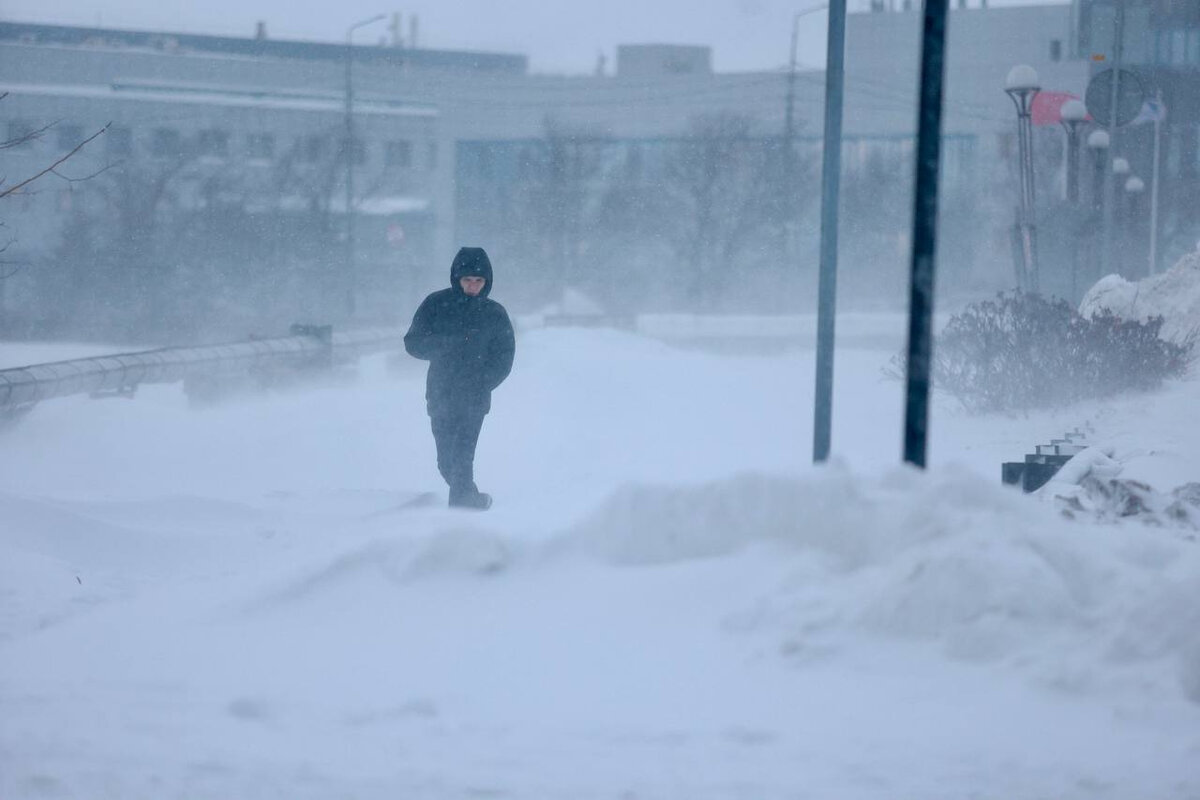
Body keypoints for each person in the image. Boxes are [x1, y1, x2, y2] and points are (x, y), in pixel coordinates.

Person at [404, 247, 515, 509]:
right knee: (446, 461)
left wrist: (483, 382)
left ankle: (462, 509)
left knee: (463, 456)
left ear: (487, 281)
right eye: (467, 280)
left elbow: (505, 356)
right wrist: (444, 345)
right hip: (440, 393)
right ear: (457, 278)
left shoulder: (495, 313)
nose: (473, 286)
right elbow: (412, 342)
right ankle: (470, 498)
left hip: (474, 397)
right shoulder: (436, 304)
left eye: (478, 281)